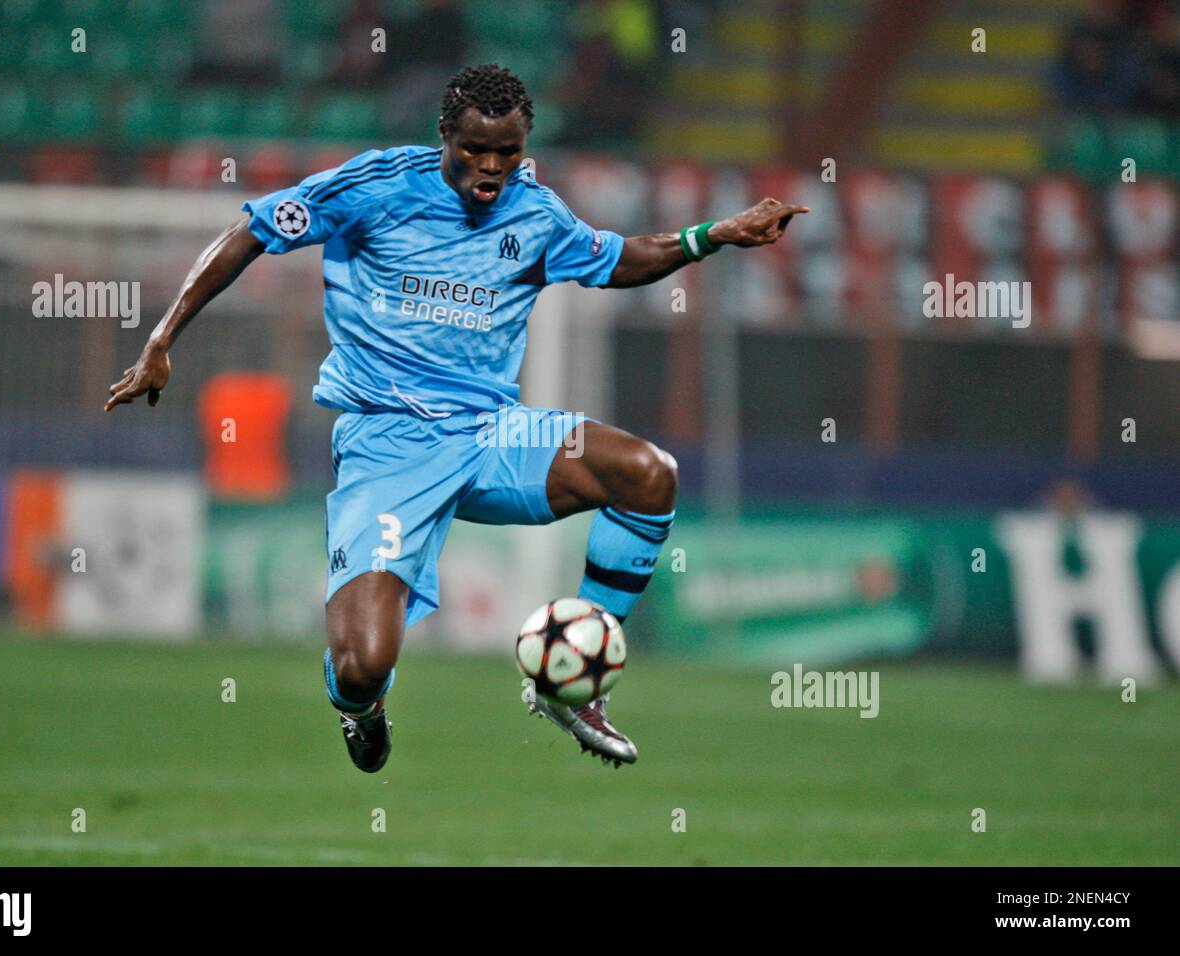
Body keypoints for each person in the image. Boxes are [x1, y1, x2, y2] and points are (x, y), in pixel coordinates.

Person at [105, 63, 807, 771]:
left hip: (490, 437)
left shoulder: (535, 214)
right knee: (361, 665)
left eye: (508, 152)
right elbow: (250, 231)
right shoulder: (374, 188)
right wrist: (161, 340)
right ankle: (361, 710)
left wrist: (714, 234)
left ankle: (574, 680)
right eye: (475, 149)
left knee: (648, 475)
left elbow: (621, 258)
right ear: (446, 134)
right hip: (387, 443)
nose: (492, 166)